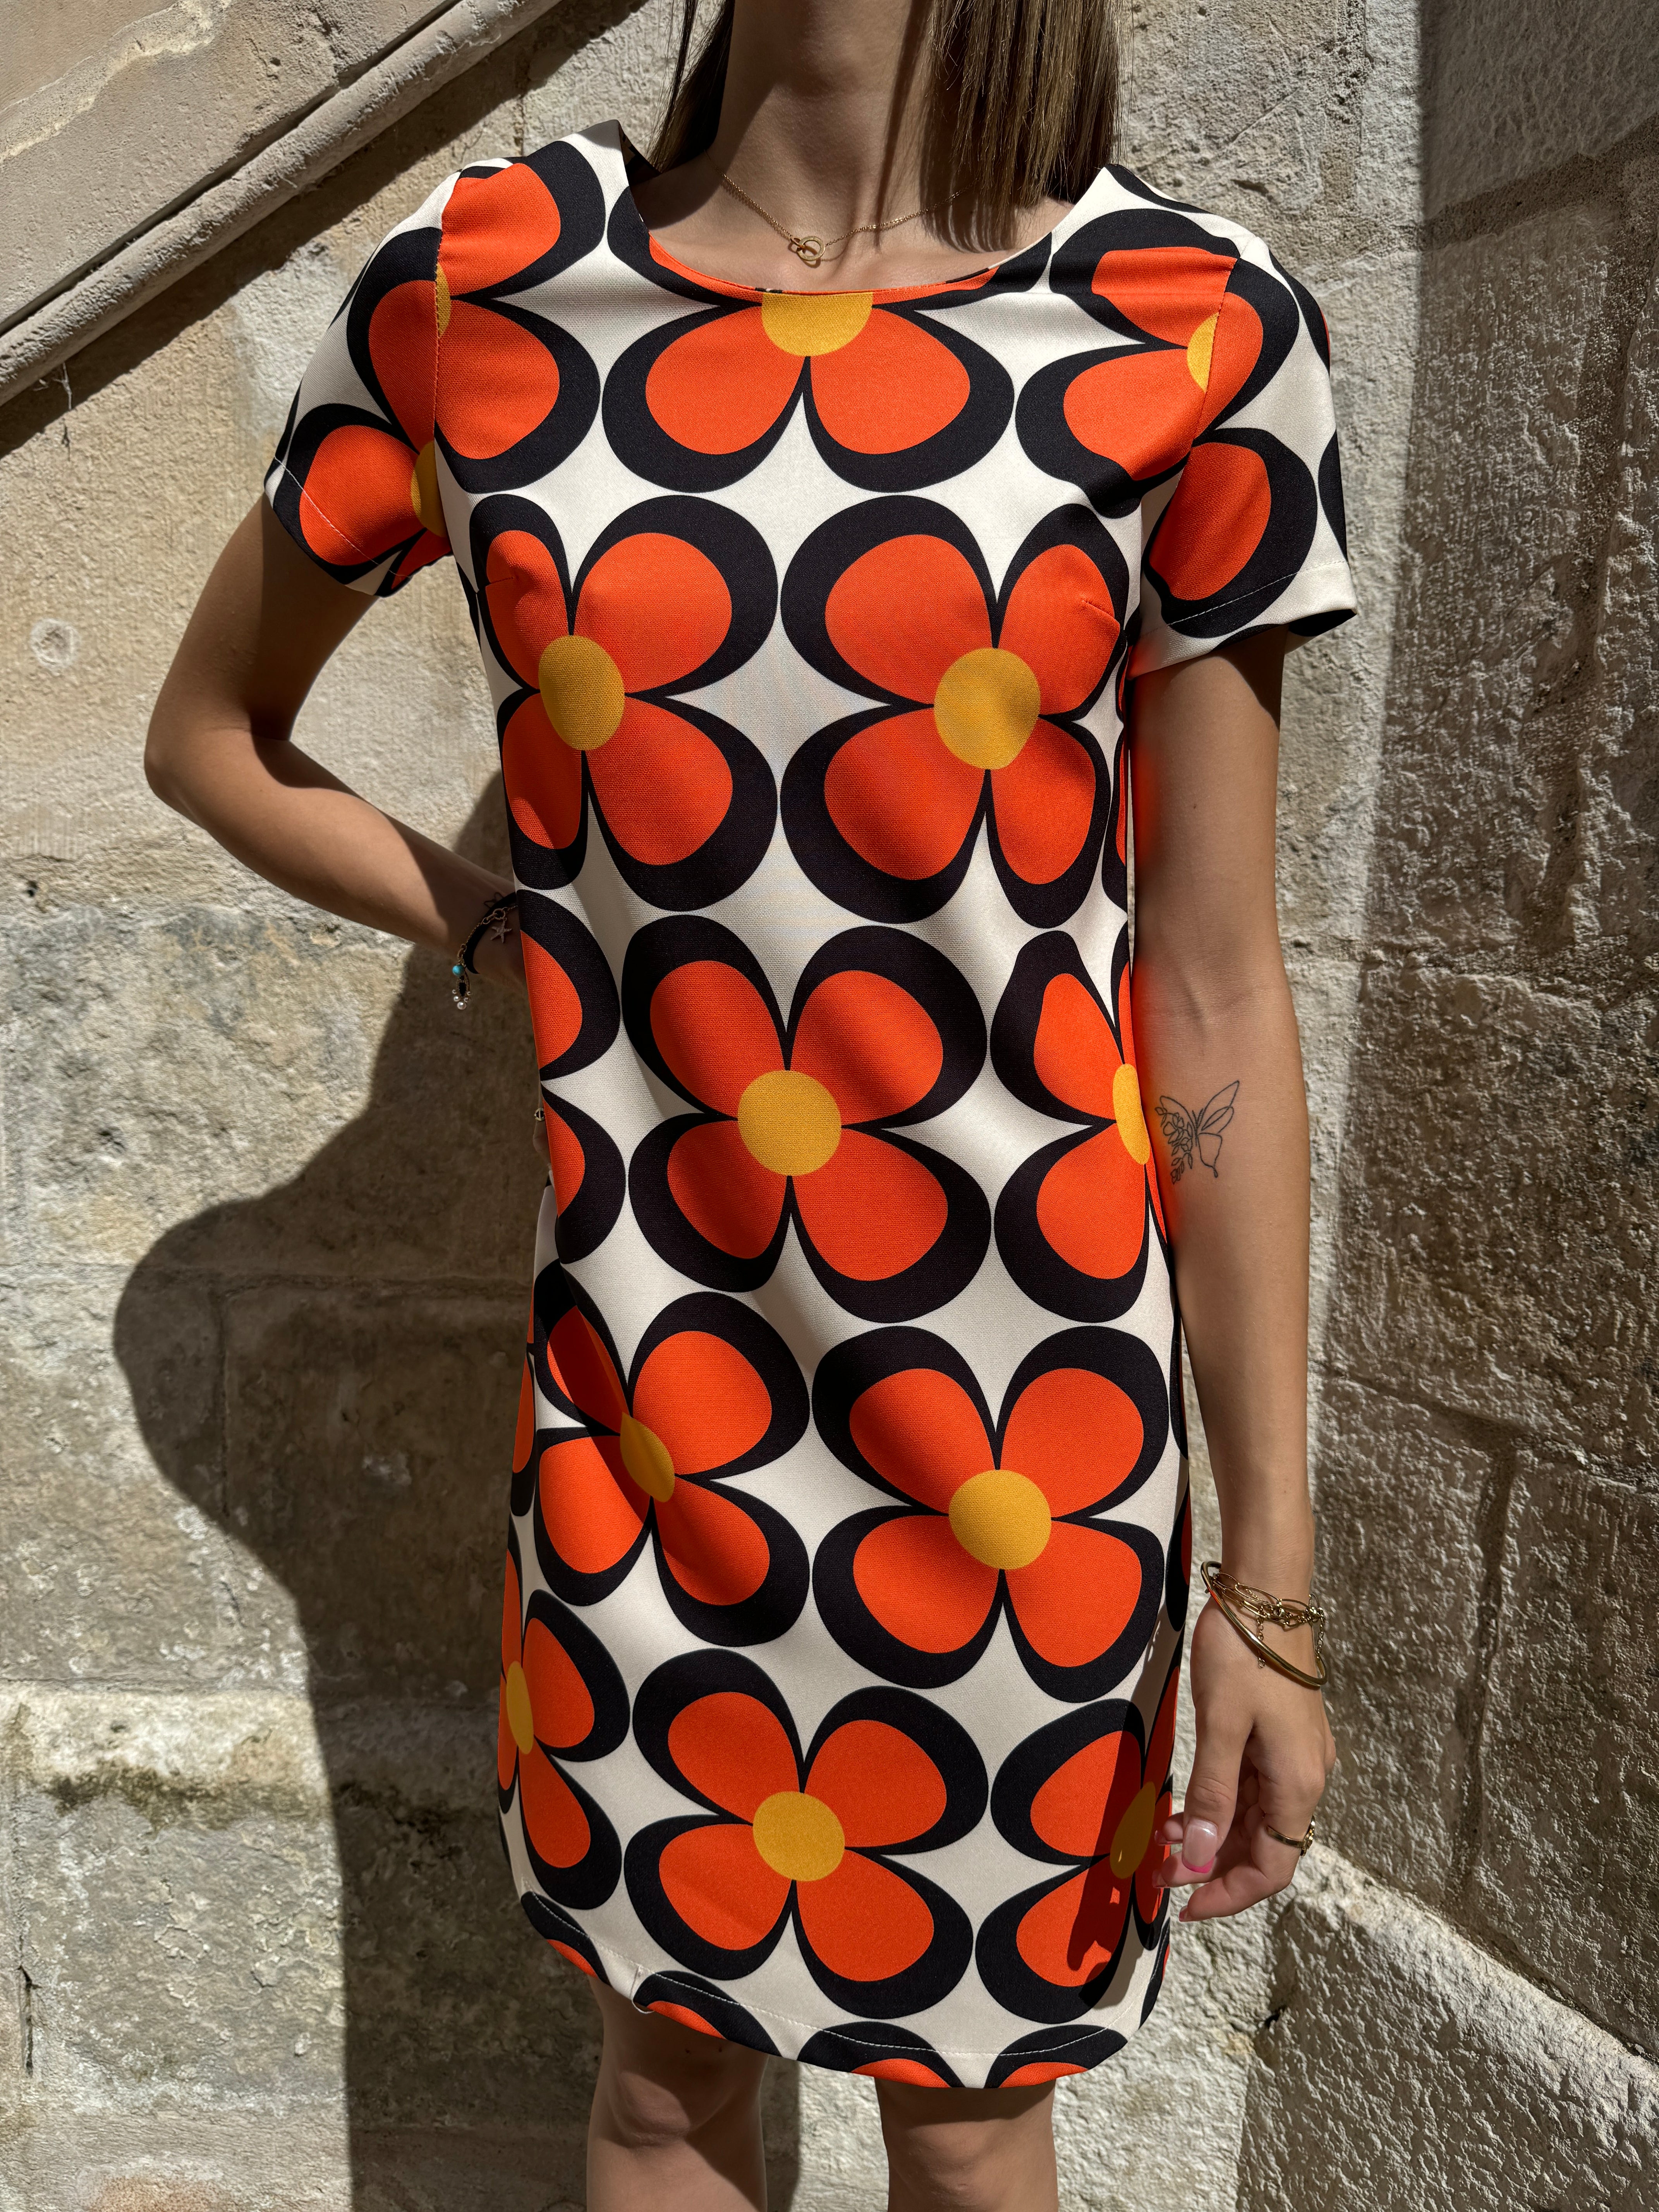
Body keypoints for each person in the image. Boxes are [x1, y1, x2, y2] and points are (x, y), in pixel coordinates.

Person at [146, 1, 1351, 2203]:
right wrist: (506, 923)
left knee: (971, 2123)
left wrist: (1266, 1589)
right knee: (659, 2090)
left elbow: (1209, 986)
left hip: (1033, 1441)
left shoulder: (1189, 324)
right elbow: (212, 734)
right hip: (651, 1420)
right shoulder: (482, 289)